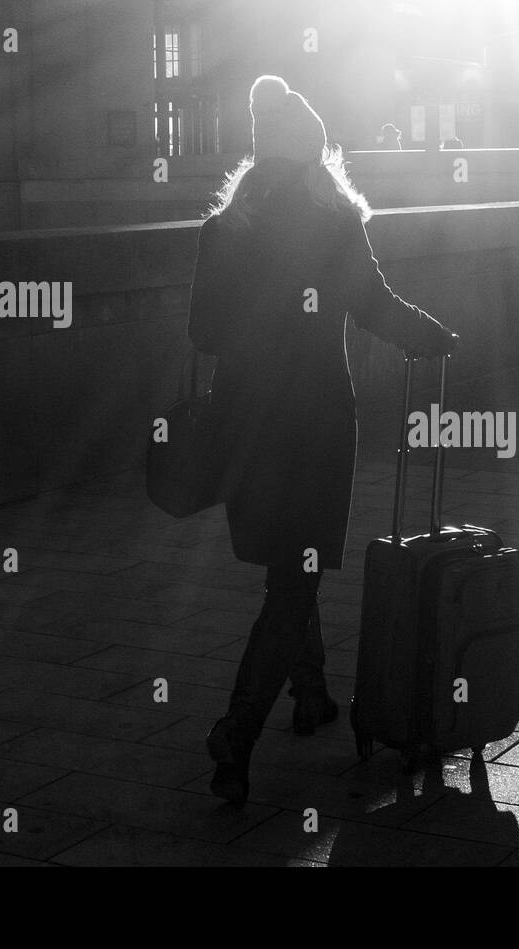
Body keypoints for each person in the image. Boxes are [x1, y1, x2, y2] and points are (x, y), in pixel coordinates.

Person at [187, 75, 457, 806]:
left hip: (246, 428)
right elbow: (372, 306)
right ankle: (236, 734)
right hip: (313, 425)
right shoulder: (331, 222)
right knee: (295, 579)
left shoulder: (223, 229)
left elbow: (202, 334)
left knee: (286, 564)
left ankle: (311, 697)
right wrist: (428, 337)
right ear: (314, 154)